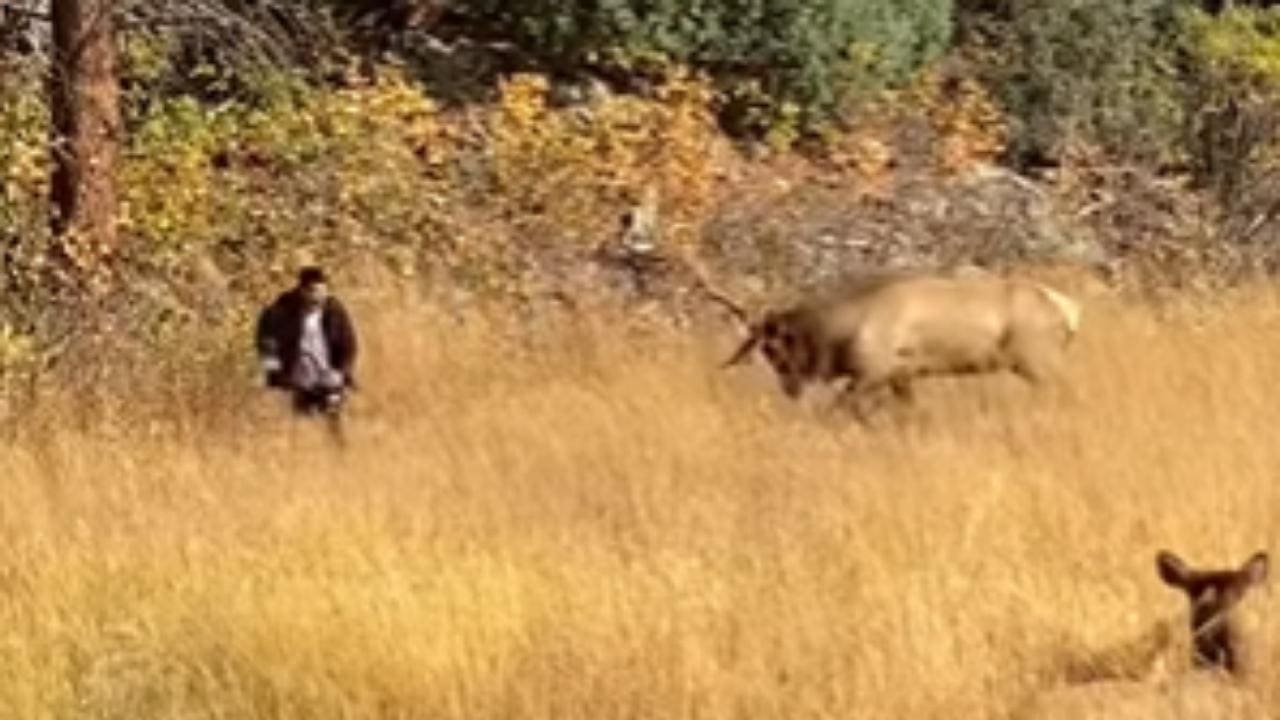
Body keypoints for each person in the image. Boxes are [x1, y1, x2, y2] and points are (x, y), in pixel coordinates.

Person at [254, 266, 359, 416]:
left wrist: (342, 371)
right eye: (313, 291)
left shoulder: (334, 310)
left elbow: (349, 345)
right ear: (301, 290)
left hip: (328, 379)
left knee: (336, 428)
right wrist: (274, 373)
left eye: (323, 292)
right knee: (302, 425)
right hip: (295, 381)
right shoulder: (280, 311)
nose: (319, 297)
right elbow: (266, 345)